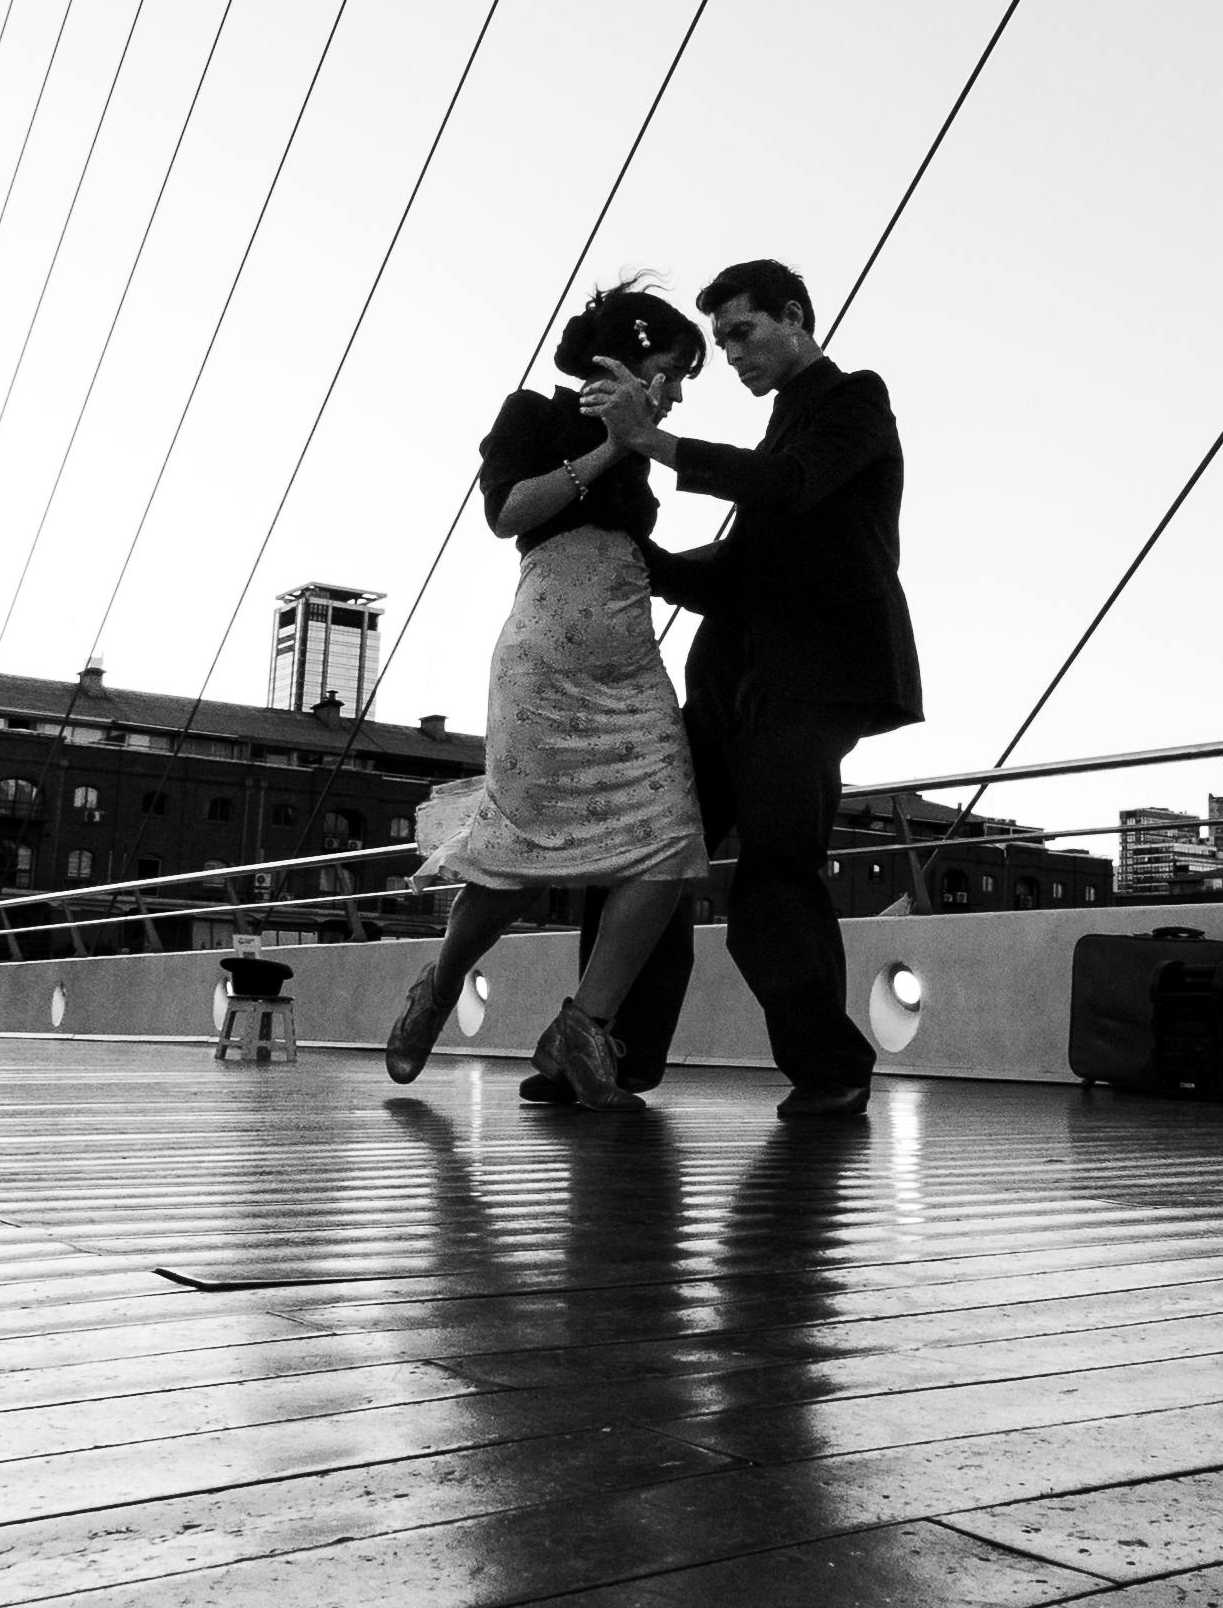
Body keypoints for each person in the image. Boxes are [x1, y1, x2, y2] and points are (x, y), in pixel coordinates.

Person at [582, 255, 921, 1123]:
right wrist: (633, 555)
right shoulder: (781, 431)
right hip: (732, 684)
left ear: (794, 316)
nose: (731, 354)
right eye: (723, 338)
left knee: (773, 877)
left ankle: (830, 1070)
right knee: (638, 853)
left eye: (742, 331)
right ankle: (602, 1055)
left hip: (806, 685)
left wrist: (652, 441)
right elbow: (739, 570)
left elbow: (791, 484)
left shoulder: (854, 400)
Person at [383, 285, 711, 1106]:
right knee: (518, 863)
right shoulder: (532, 412)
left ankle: (582, 1025)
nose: (674, 393)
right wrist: (609, 448)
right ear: (627, 356)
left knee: (670, 839)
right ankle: (439, 985)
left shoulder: (644, 445)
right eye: (670, 371)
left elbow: (634, 550)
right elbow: (507, 513)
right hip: (543, 668)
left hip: (630, 665)